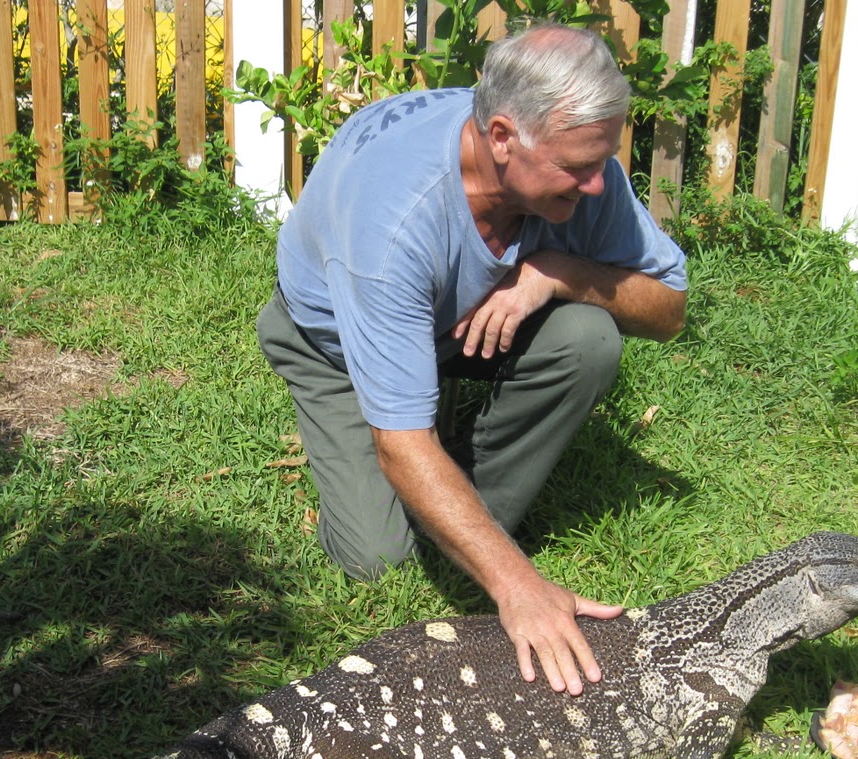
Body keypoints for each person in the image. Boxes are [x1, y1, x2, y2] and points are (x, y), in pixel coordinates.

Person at [256, 22, 688, 695]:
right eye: (576, 167)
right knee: (380, 558)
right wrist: (521, 588)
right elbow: (401, 444)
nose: (597, 185)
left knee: (587, 339)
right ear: (502, 138)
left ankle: (462, 508)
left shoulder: (579, 170)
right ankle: (448, 507)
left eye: (601, 160)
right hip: (337, 343)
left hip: (463, 320)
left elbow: (668, 310)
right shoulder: (395, 223)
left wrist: (556, 273)